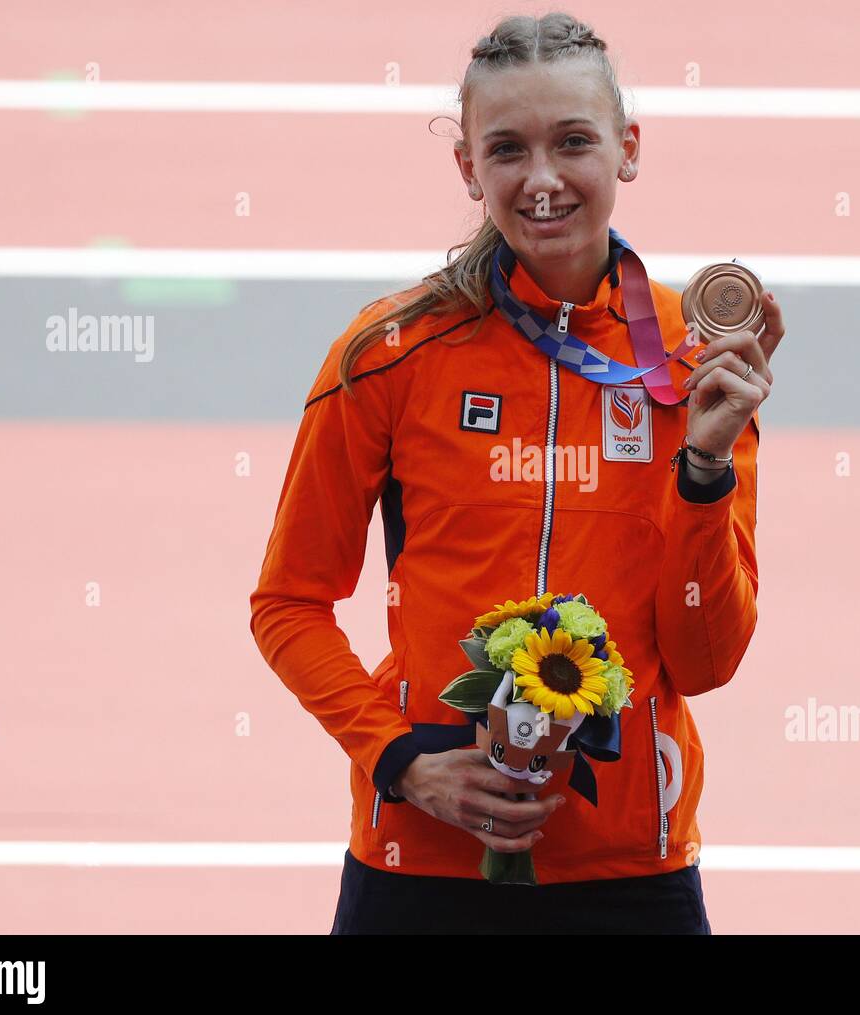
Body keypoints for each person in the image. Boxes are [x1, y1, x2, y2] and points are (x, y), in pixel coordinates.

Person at [249, 11, 783, 935]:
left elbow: (705, 662)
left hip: (630, 870)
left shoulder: (697, 365)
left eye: (573, 142)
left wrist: (702, 465)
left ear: (628, 149)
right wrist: (399, 760)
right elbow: (288, 603)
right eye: (507, 149)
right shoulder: (388, 354)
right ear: (467, 166)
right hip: (420, 863)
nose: (542, 181)